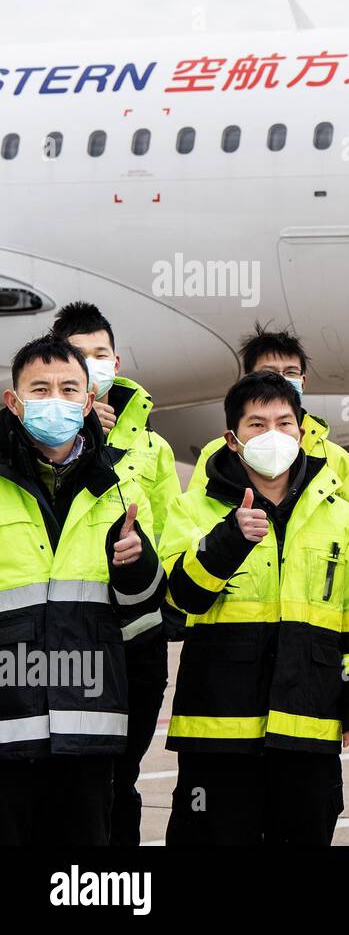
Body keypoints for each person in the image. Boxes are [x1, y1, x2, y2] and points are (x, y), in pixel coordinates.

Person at [160, 372, 349, 845]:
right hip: (217, 724)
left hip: (308, 720)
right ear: (232, 439)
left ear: (302, 433)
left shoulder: (340, 516)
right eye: (257, 424)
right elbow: (178, 599)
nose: (273, 435)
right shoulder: (194, 509)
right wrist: (228, 539)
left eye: (284, 423)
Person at [0, 336, 166, 845]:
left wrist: (135, 569)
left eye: (70, 389)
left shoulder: (122, 489)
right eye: (41, 388)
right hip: (8, 730)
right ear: (14, 400)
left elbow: (143, 617)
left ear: (89, 401)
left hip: (89, 734)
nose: (57, 400)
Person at [50, 300, 182, 846]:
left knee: (119, 781)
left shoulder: (151, 448)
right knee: (71, 785)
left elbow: (172, 540)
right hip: (68, 644)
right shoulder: (44, 437)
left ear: (117, 361)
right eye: (80, 357)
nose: (93, 365)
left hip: (135, 644)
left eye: (100, 354)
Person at [187, 324, 349, 532]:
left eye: (290, 372)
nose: (280, 380)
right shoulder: (216, 453)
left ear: (303, 382)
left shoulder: (337, 458)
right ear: (248, 380)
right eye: (269, 373)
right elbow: (196, 518)